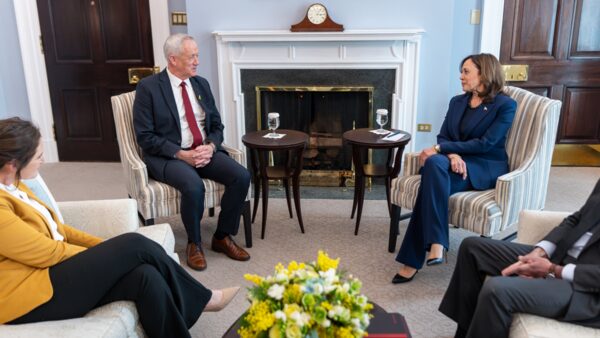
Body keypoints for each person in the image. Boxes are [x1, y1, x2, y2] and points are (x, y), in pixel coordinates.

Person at [0, 117, 239, 338]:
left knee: (145, 276)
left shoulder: (16, 185)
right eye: (38, 156)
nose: (42, 160)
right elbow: (46, 253)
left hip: (49, 275)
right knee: (133, 245)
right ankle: (204, 298)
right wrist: (105, 257)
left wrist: (104, 250)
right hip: (29, 295)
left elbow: (60, 229)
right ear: (12, 164)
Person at [392, 53, 517, 283]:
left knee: (432, 170)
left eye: (466, 71)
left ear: (484, 74)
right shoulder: (457, 102)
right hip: (453, 163)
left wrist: (441, 149)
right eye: (462, 71)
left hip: (483, 166)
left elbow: (486, 143)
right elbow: (444, 135)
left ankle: (414, 259)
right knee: (434, 165)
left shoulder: (505, 105)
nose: (461, 76)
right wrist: (451, 153)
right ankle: (437, 242)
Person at [133, 34, 251, 271]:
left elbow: (217, 126)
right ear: (173, 59)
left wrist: (211, 146)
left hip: (202, 151)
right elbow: (145, 137)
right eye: (192, 56)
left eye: (198, 55)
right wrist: (180, 154)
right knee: (193, 185)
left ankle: (222, 236)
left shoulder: (201, 84)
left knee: (242, 176)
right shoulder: (148, 88)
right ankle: (194, 243)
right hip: (169, 156)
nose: (197, 61)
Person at [439, 178, 600, 338]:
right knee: (472, 248)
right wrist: (540, 251)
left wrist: (554, 270)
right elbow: (577, 218)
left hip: (587, 291)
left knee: (497, 290)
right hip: (563, 258)